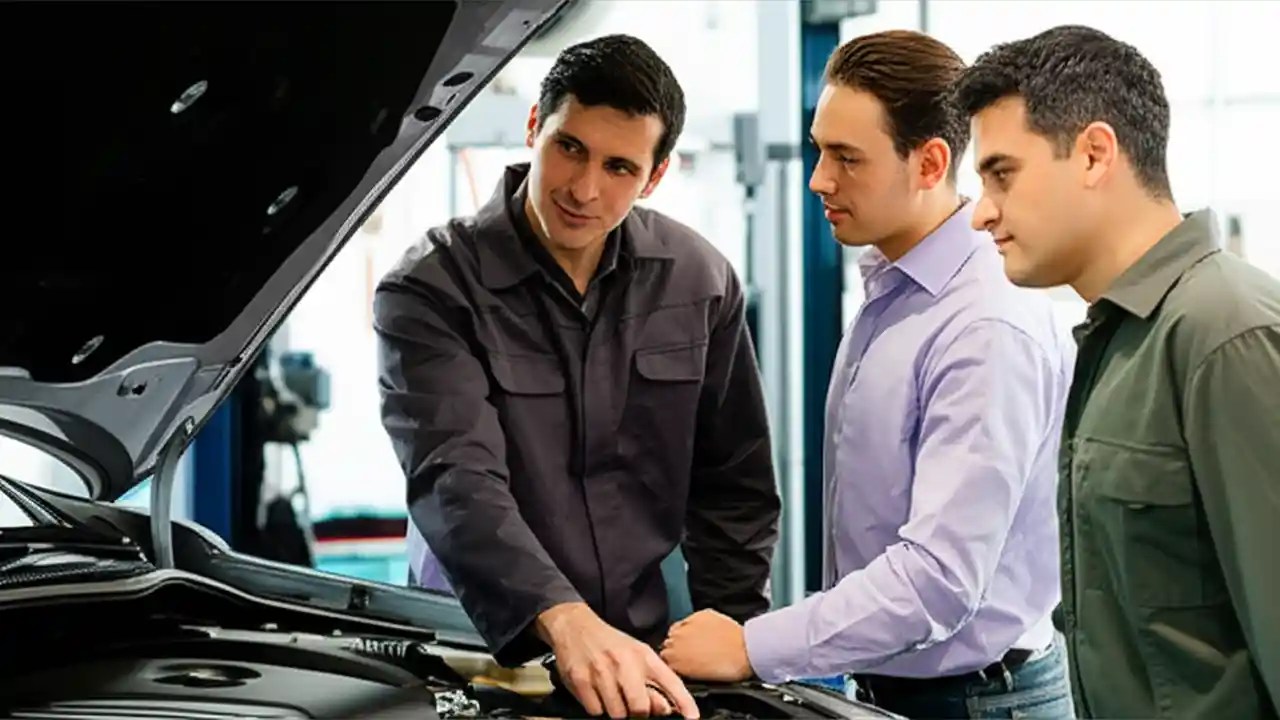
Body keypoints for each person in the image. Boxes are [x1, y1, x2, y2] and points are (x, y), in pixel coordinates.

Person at [661, 30, 1075, 719]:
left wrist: (753, 645)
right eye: (820, 149)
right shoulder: (893, 293)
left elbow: (938, 580)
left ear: (930, 162)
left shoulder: (984, 326)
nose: (820, 178)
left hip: (976, 703)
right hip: (900, 690)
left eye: (846, 158)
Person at [373, 33, 781, 720]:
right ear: (535, 127)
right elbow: (458, 481)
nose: (585, 189)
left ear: (654, 177)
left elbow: (733, 489)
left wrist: (730, 652)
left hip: (639, 662)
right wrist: (561, 618)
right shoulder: (432, 289)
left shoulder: (699, 282)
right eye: (570, 148)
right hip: (478, 664)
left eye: (620, 167)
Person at [953, 24, 1280, 720]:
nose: (981, 213)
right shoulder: (1116, 339)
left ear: (1096, 154)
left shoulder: (1226, 332)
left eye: (1001, 173)